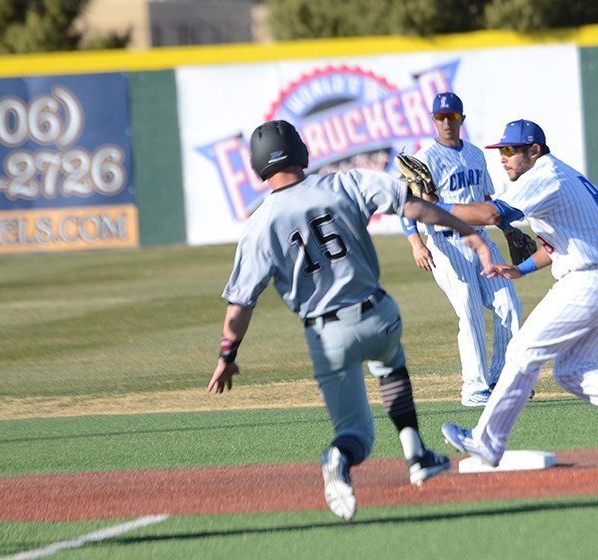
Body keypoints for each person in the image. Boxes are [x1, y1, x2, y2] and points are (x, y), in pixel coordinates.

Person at [206, 120, 496, 521]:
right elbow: (413, 206)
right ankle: (416, 455)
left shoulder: (258, 225)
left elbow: (240, 304)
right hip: (377, 316)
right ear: (301, 151)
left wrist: (227, 355)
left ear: (259, 166)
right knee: (390, 364)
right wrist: (469, 231)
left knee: (357, 436)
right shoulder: (343, 183)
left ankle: (338, 459)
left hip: (326, 336)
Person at [439, 119, 598, 467]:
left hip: (589, 282)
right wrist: (520, 269)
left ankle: (486, 442)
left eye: (509, 151)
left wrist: (434, 207)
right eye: (500, 151)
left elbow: (489, 213)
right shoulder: (564, 176)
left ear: (533, 151)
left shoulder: (545, 174)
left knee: (521, 350)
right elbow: (557, 245)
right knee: (571, 369)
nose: (503, 159)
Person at [400, 92, 524, 407]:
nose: (446, 122)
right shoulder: (424, 156)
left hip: (479, 238)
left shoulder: (475, 154)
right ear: (433, 120)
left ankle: (500, 378)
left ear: (461, 119)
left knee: (509, 306)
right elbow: (406, 206)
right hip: (444, 243)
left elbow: (486, 199)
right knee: (469, 313)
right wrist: (416, 243)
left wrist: (508, 230)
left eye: (452, 116)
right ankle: (474, 388)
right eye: (440, 117)